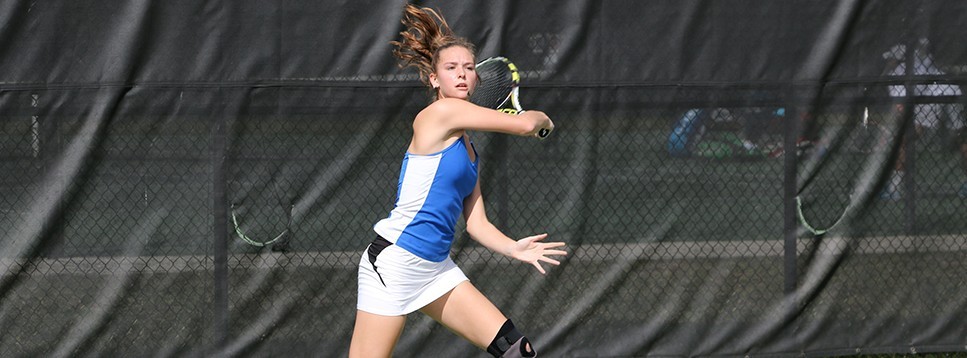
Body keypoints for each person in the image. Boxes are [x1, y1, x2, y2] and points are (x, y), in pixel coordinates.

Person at [349, 5, 565, 358]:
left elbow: (476, 223)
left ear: (477, 79)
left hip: (436, 269)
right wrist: (544, 120)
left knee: (516, 350)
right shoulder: (440, 113)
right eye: (451, 69)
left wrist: (513, 247)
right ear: (435, 80)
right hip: (395, 263)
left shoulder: (468, 151)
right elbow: (527, 125)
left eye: (468, 68)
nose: (462, 75)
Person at [880, 38, 967, 200]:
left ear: (898, 59)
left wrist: (895, 131)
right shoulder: (921, 60)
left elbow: (901, 109)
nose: (888, 61)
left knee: (902, 143)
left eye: (891, 59)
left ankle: (894, 189)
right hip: (950, 91)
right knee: (963, 141)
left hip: (928, 102)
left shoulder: (895, 76)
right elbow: (925, 45)